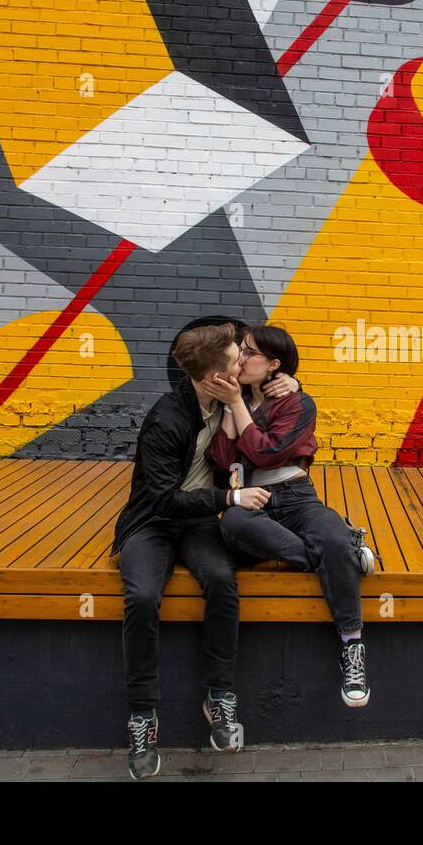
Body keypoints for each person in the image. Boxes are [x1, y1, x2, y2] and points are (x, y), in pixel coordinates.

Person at [110, 316, 299, 779]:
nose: (246, 362)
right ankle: (142, 714)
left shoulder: (229, 399)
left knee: (221, 579)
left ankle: (220, 696)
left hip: (197, 523)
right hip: (153, 523)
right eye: (239, 359)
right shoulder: (166, 419)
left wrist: (287, 380)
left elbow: (271, 389)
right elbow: (160, 499)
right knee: (141, 597)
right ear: (216, 375)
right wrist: (228, 498)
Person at [203, 324, 379, 709]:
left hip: (296, 496)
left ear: (273, 365)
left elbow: (269, 453)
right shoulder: (229, 399)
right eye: (241, 350)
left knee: (328, 535)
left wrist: (241, 407)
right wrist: (234, 405)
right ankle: (345, 555)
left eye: (250, 352)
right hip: (251, 499)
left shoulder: (298, 403)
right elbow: (220, 460)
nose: (241, 357)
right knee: (233, 523)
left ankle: (352, 645)